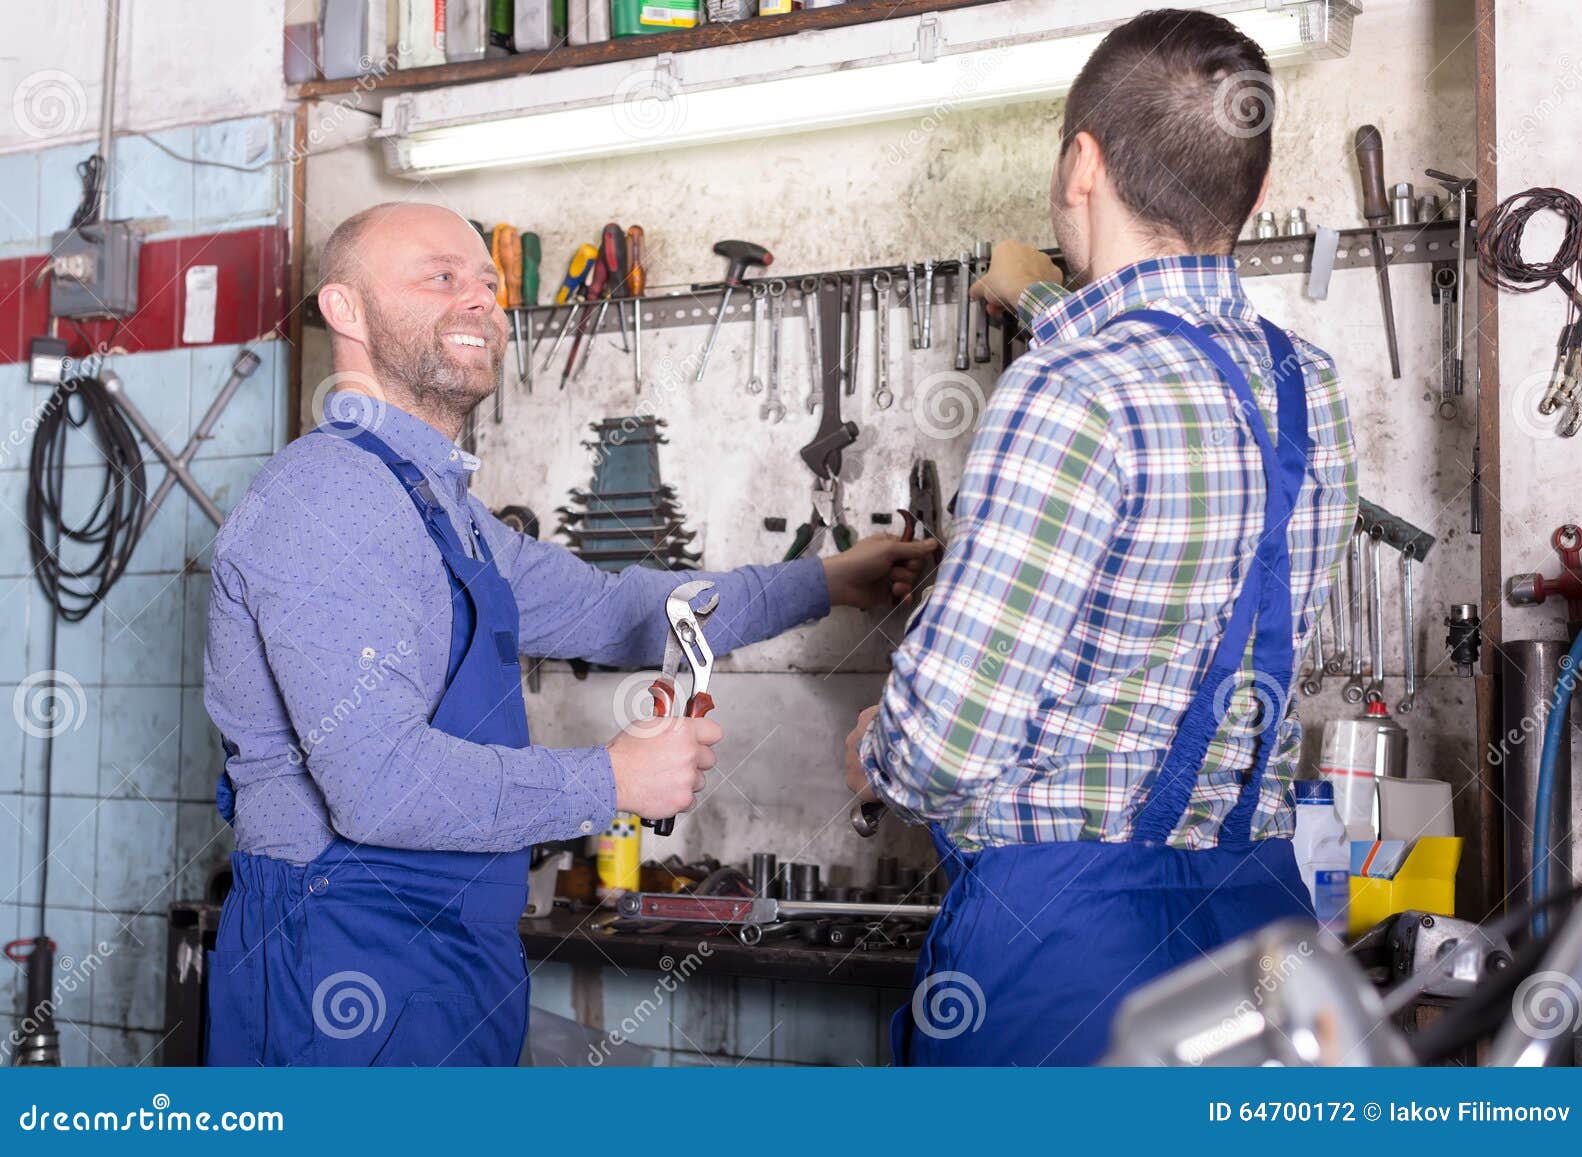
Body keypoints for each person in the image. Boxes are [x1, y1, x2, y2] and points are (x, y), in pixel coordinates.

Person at [204, 201, 935, 1066]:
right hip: (337, 959)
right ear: (345, 310)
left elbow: (622, 609)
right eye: (440, 277)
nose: (480, 300)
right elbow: (378, 785)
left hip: (446, 953)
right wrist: (612, 776)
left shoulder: (443, 510)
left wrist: (828, 580)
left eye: (488, 282)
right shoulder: (331, 496)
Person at [845, 8, 1358, 1066]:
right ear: (1253, 194)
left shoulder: (1069, 391)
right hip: (1263, 939)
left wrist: (879, 752)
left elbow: (942, 746)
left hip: (1068, 959)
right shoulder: (1308, 388)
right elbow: (1161, 355)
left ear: (1081, 162)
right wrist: (1039, 292)